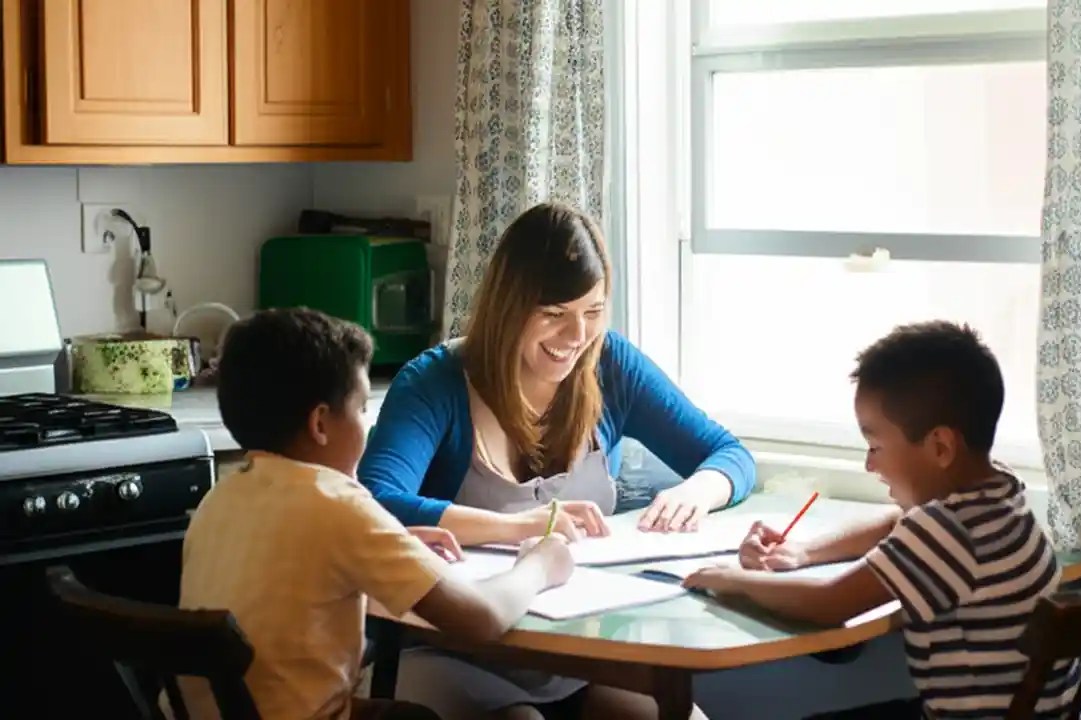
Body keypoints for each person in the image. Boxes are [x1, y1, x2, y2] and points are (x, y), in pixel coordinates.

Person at [357, 202, 737, 718]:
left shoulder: (612, 366)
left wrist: (698, 490)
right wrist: (517, 528)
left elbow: (727, 454)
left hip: (575, 651)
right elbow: (375, 503)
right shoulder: (434, 383)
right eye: (555, 314)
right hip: (452, 649)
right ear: (509, 305)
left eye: (593, 312)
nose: (576, 337)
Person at [174, 307, 576, 720]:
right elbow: (483, 619)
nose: (367, 425)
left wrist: (394, 545)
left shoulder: (218, 501)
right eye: (362, 408)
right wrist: (540, 564)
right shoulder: (338, 504)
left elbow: (296, 580)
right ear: (321, 424)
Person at [684, 321, 1081, 720]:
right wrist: (803, 552)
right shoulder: (999, 490)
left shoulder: (947, 530)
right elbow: (900, 521)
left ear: (940, 446)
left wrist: (727, 580)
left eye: (875, 445)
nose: (869, 463)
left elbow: (828, 604)